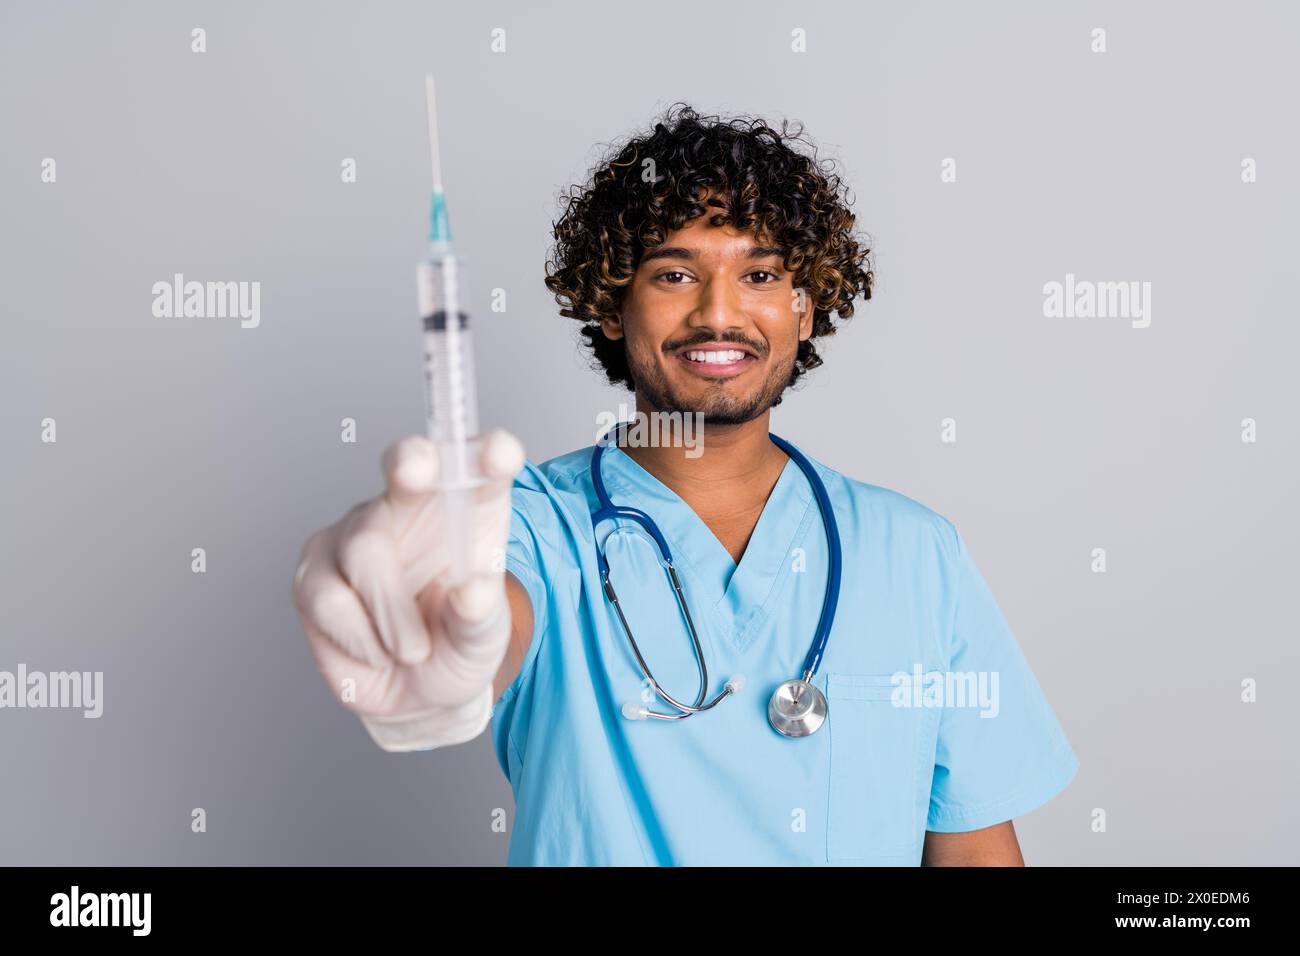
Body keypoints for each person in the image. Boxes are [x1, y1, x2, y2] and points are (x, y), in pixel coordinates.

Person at [291, 104, 1079, 866]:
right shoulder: (533, 523)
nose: (719, 313)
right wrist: (430, 639)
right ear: (610, 306)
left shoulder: (914, 552)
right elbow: (480, 609)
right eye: (675, 273)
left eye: (761, 273)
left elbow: (975, 849)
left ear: (804, 311)